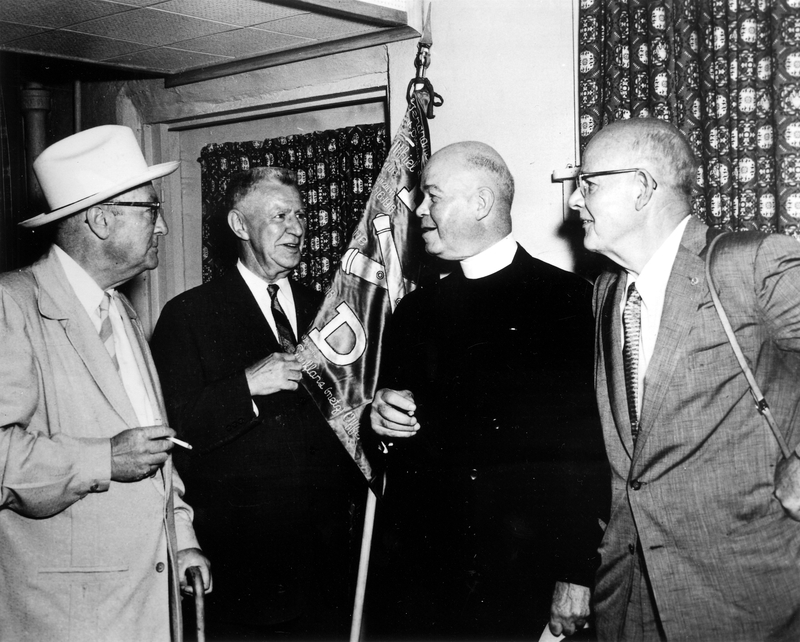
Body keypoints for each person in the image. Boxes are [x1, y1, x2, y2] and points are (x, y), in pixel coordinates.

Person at [365, 141, 609, 640]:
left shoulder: (567, 303)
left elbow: (589, 454)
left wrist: (577, 572)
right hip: (425, 582)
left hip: (523, 580)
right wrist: (379, 421)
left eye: (431, 195)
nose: (418, 209)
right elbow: (394, 450)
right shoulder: (413, 312)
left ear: (480, 204)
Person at [567, 117, 800, 641]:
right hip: (632, 597)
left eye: (589, 183)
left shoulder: (750, 264)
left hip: (748, 597)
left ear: (643, 187)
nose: (576, 201)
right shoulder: (607, 294)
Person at [0, 124, 211, 642]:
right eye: (151, 211)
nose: (161, 228)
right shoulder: (12, 305)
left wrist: (180, 537)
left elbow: (154, 445)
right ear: (99, 220)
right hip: (68, 617)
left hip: (146, 605)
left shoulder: (120, 310)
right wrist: (103, 459)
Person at [150, 167, 367, 640]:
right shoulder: (189, 315)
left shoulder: (329, 310)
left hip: (328, 571)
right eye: (279, 216)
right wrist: (244, 385)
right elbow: (174, 430)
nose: (296, 228)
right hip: (243, 575)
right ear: (239, 225)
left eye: (301, 216)